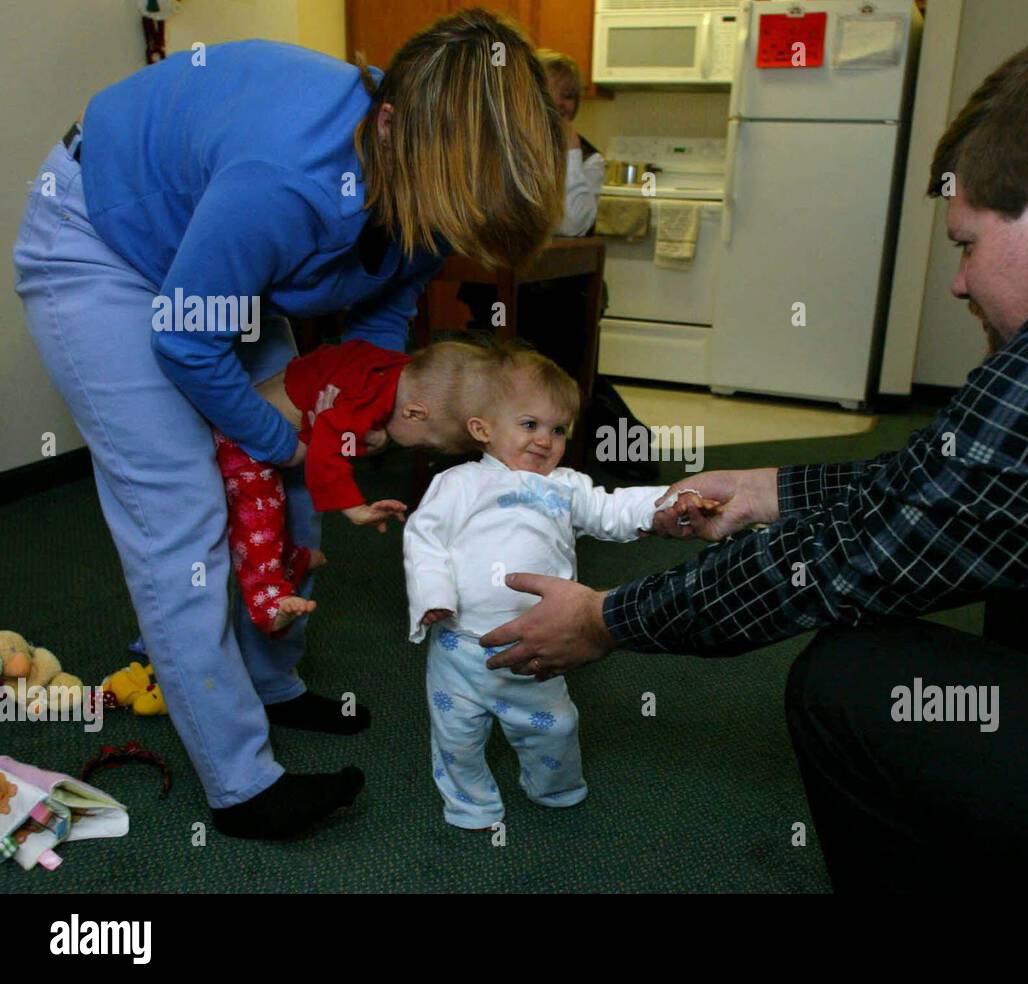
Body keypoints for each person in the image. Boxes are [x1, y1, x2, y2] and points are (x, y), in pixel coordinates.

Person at [476, 25, 1028, 891]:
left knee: (855, 682)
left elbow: (844, 564)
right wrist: (776, 487)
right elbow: (976, 486)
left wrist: (606, 618)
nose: (959, 283)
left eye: (967, 243)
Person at [12, 9, 566, 840]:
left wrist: (357, 408)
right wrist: (287, 437)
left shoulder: (427, 169)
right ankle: (241, 788)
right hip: (103, 241)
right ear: (387, 127)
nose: (445, 238)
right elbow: (186, 341)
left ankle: (271, 679)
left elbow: (385, 303)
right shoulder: (289, 179)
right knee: (181, 511)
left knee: (301, 482)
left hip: (217, 257)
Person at [404, 342, 712, 829]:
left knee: (555, 726)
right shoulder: (459, 484)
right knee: (456, 735)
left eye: (558, 429)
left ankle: (553, 786)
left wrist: (665, 503)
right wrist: (434, 597)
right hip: (460, 643)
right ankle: (469, 804)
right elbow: (424, 539)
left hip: (538, 642)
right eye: (529, 425)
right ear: (483, 428)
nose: (545, 440)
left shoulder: (566, 486)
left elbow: (613, 511)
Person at [458, 48, 658, 482]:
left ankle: (580, 445)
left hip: (567, 287)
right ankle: (503, 444)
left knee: (554, 358)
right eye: (548, 94)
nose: (559, 104)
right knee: (501, 348)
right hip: (503, 283)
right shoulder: (499, 149)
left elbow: (572, 221)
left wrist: (566, 148)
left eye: (568, 96)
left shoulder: (587, 157)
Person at [221, 335, 495, 636]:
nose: (421, 450)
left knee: (284, 507)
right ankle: (267, 605)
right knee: (259, 517)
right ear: (415, 413)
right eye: (428, 445)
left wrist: (367, 431)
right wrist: (355, 509)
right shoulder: (365, 406)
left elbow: (339, 393)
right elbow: (325, 449)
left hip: (268, 414)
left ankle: (290, 559)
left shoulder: (394, 370)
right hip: (239, 442)